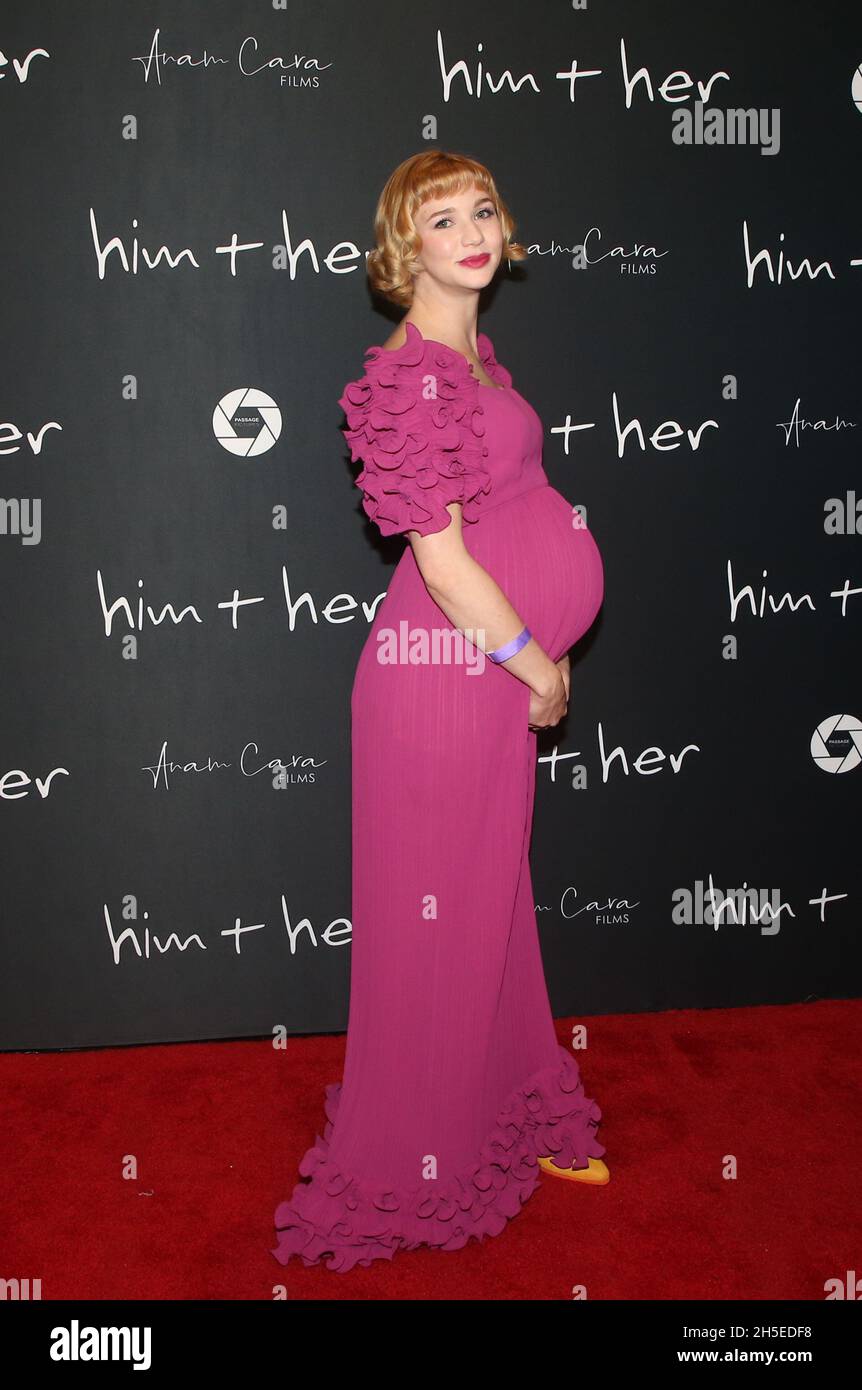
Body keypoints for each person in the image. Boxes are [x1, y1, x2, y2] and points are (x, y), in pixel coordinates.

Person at [271, 150, 608, 1275]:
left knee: (489, 902)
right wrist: (538, 669)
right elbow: (446, 562)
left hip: (476, 680)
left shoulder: (473, 353)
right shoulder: (411, 374)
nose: (468, 230)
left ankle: (510, 1115)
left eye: (481, 210)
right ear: (401, 246)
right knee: (441, 924)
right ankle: (409, 1163)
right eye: (438, 218)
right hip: (448, 678)